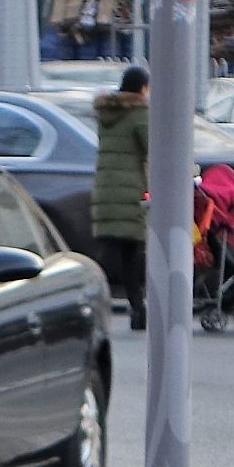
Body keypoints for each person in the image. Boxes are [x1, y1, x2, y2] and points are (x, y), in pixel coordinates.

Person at [92, 65, 150, 330]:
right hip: (129, 191)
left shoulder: (107, 113)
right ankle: (138, 309)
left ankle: (87, 298)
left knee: (109, 252)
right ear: (141, 88)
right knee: (132, 254)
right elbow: (153, 147)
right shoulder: (139, 114)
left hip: (106, 189)